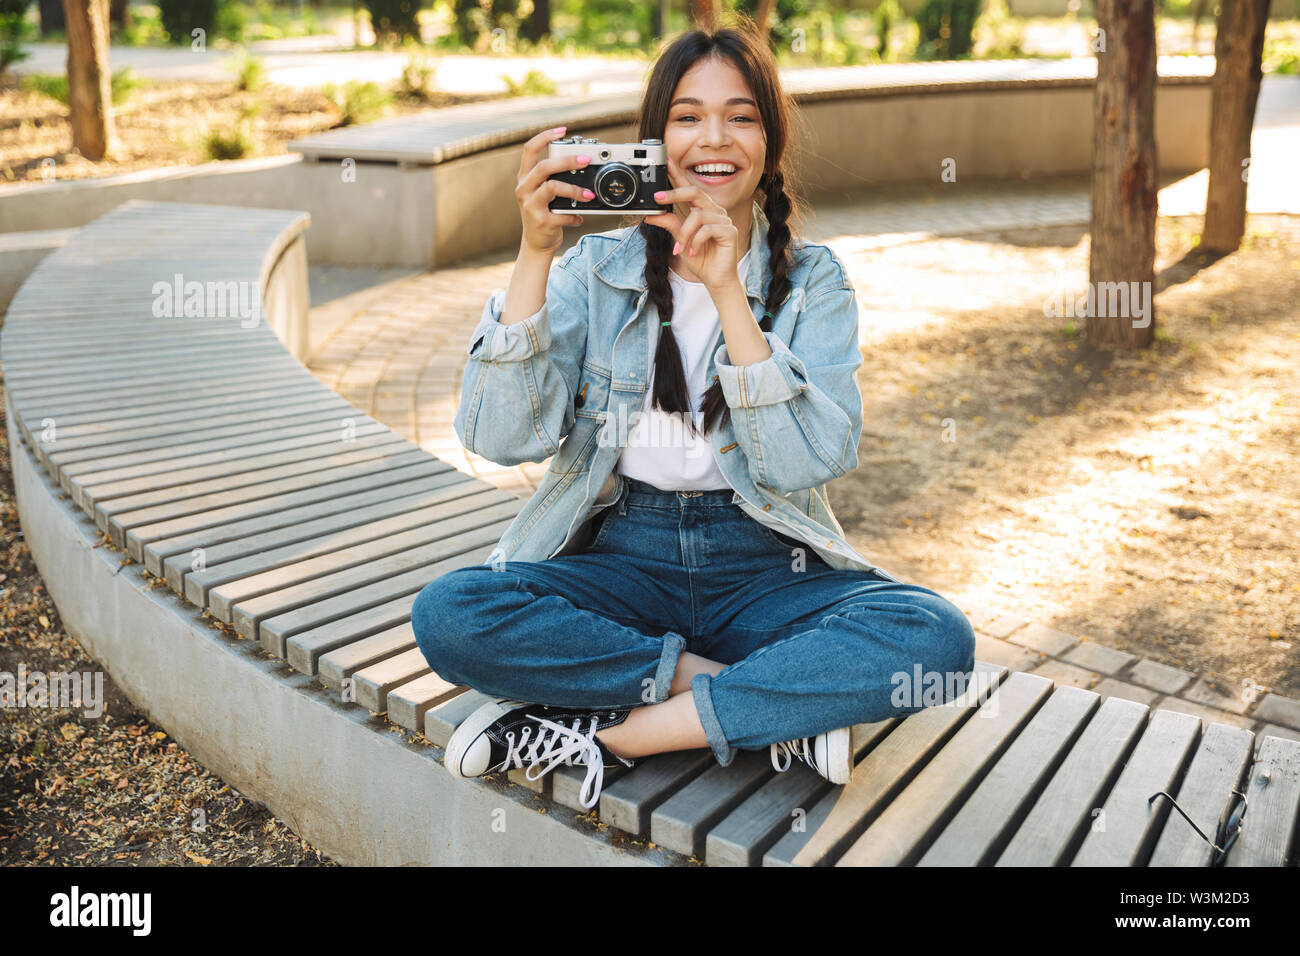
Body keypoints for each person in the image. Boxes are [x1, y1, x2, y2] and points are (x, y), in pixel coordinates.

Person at [411, 19, 976, 811]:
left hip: (766, 566)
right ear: (654, 142)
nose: (714, 138)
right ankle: (759, 702)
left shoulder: (815, 282)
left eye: (741, 116)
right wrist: (534, 254)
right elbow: (501, 440)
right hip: (623, 562)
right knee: (451, 615)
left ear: (770, 144)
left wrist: (726, 291)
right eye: (687, 117)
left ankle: (618, 731)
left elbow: (804, 463)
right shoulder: (595, 268)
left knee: (936, 640)